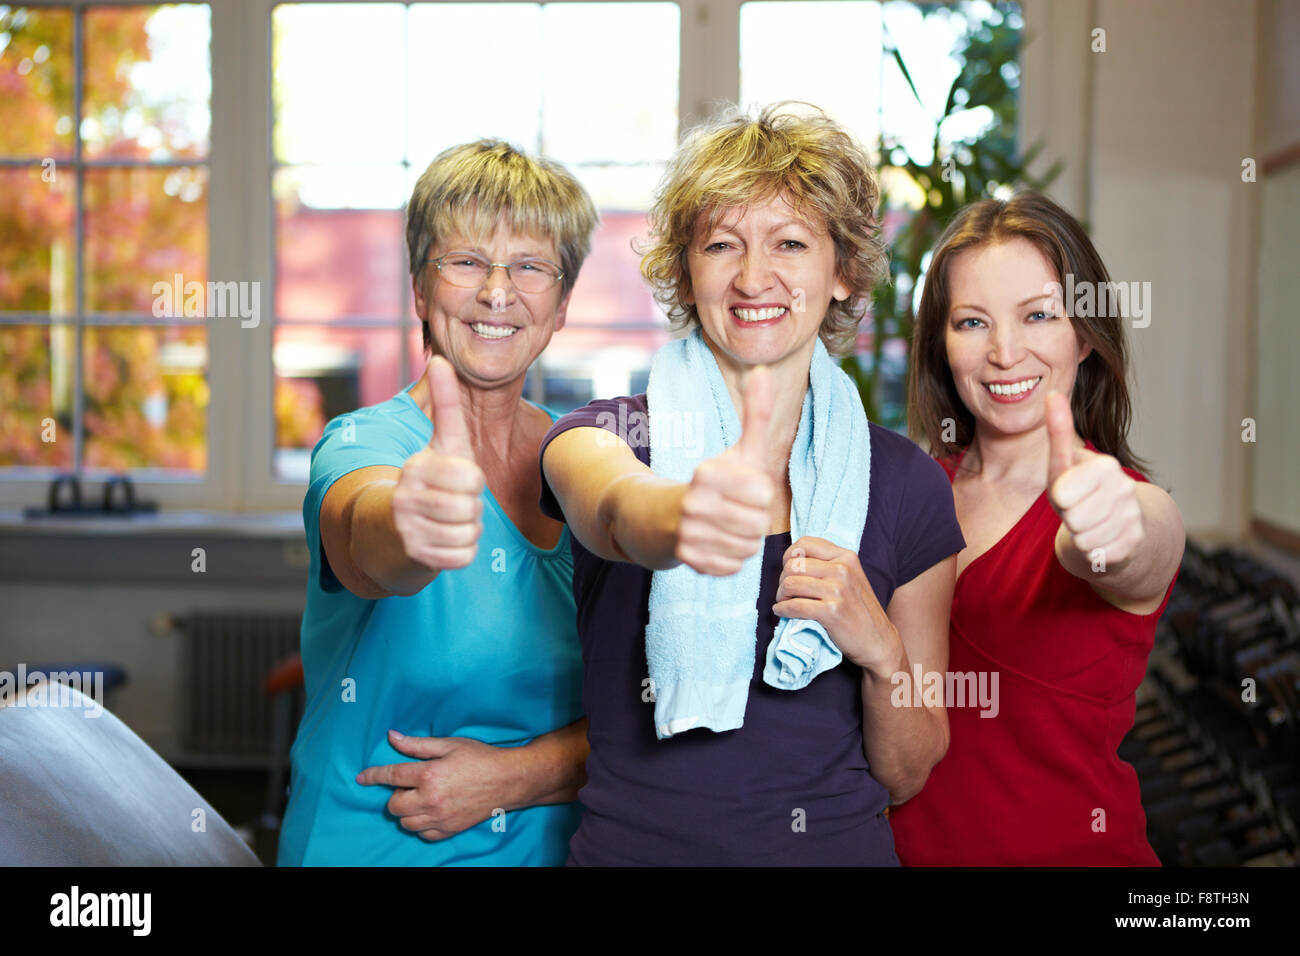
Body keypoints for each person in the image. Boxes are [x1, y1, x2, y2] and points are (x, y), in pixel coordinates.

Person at [539, 103, 966, 865]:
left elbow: (907, 772)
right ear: (684, 270)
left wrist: (880, 648)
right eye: (721, 245)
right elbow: (611, 508)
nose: (753, 277)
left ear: (842, 273)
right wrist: (681, 514)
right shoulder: (605, 439)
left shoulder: (906, 484)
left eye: (791, 244)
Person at [277, 139, 599, 866]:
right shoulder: (363, 444)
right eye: (465, 261)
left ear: (561, 307)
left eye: (529, 266)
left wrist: (515, 777)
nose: (496, 291)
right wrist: (410, 525)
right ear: (420, 291)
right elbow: (365, 539)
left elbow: (647, 703)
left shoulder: (587, 460)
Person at [888, 191, 1185, 865]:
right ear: (940, 343)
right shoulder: (908, 491)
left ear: (1085, 335)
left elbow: (1141, 542)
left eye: (1038, 315)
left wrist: (1110, 531)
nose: (1004, 351)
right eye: (971, 322)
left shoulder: (1119, 503)